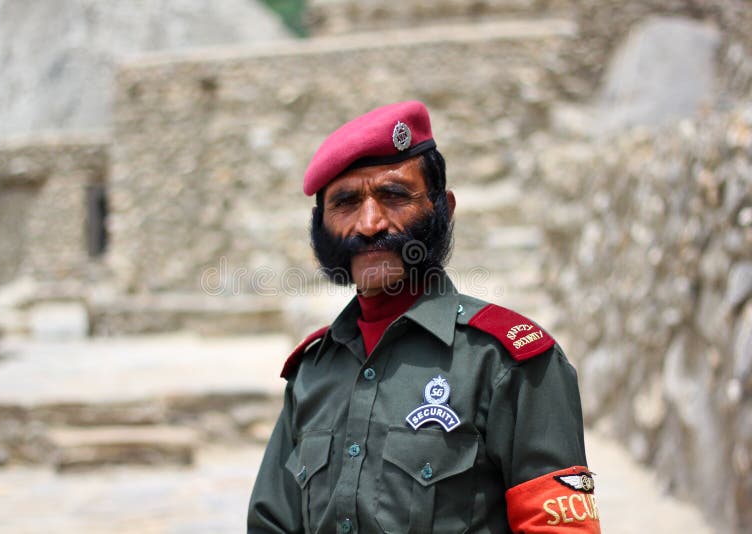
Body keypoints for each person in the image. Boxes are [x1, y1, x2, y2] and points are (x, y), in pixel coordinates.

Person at [247, 101, 601, 533]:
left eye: (394, 195)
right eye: (346, 202)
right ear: (320, 226)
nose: (370, 223)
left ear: (444, 209)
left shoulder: (506, 362)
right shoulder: (311, 371)